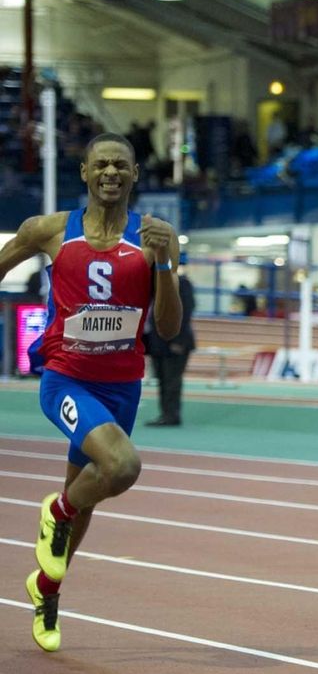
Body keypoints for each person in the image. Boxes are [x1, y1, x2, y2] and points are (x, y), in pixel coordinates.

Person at [0, 132, 182, 652]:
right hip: (66, 378)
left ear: (135, 175)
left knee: (91, 500)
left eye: (121, 166)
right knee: (121, 467)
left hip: (121, 387)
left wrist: (166, 262)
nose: (111, 173)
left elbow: (167, 328)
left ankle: (46, 588)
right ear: (83, 172)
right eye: (100, 164)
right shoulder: (49, 230)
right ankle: (55, 511)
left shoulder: (151, 240)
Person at [146, 252, 196, 426]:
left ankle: (171, 415)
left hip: (175, 343)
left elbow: (186, 312)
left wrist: (179, 341)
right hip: (158, 343)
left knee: (172, 381)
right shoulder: (156, 285)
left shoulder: (182, 283)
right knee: (162, 379)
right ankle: (165, 413)